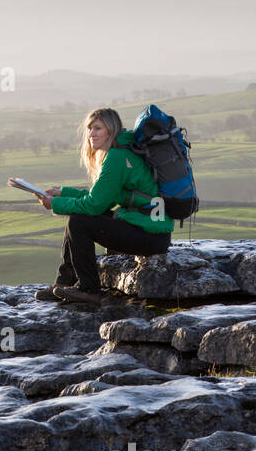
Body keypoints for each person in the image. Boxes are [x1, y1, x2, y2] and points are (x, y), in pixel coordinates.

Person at [13, 107, 174, 304]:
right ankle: (64, 283)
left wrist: (56, 204)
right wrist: (63, 192)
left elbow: (93, 206)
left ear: (111, 130)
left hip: (150, 236)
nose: (91, 133)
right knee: (80, 215)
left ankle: (89, 289)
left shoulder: (116, 158)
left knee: (79, 221)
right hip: (150, 231)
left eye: (97, 128)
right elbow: (100, 198)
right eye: (89, 128)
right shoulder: (122, 152)